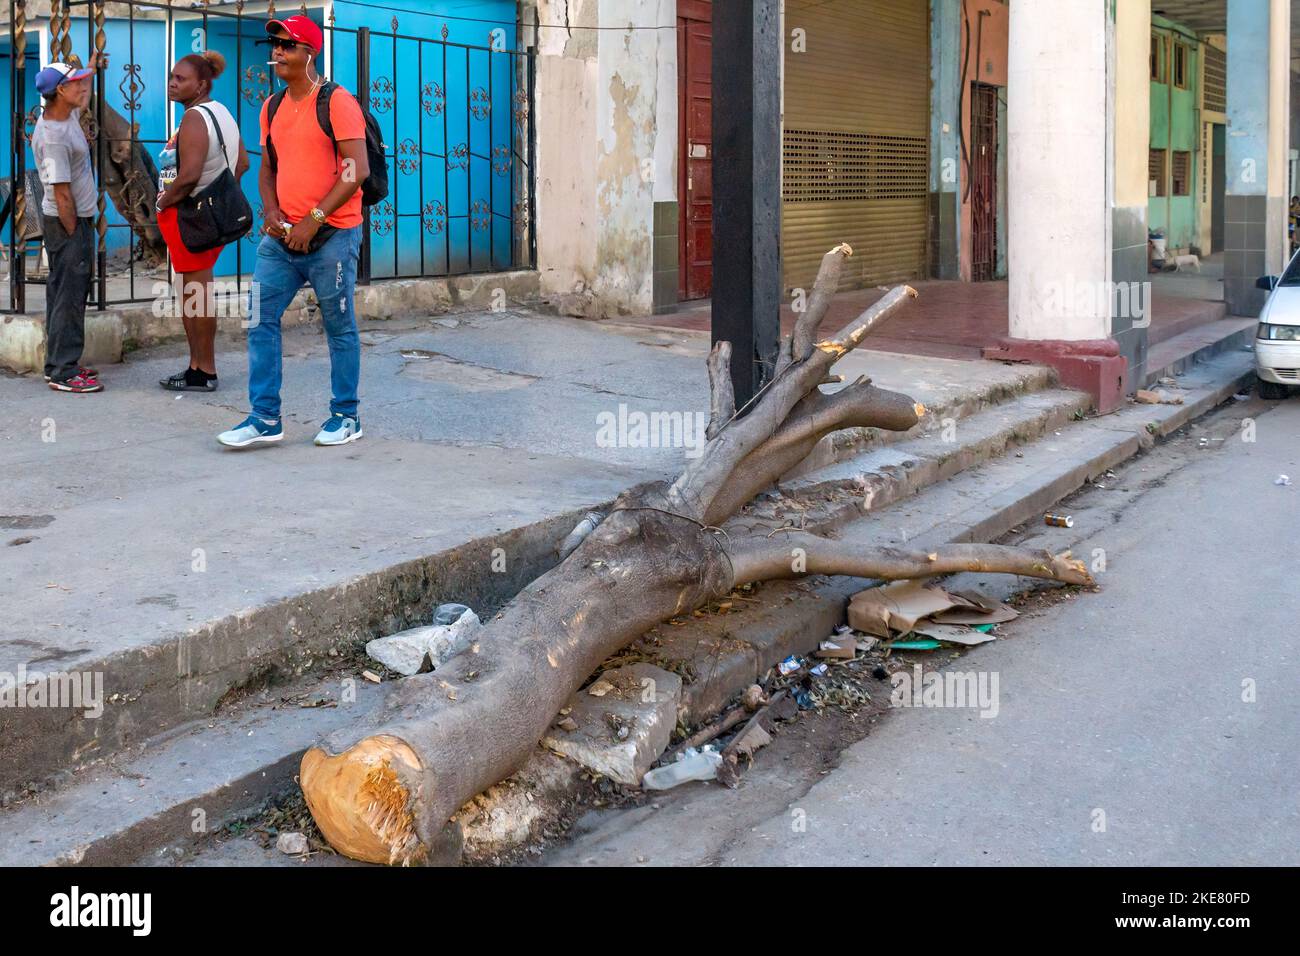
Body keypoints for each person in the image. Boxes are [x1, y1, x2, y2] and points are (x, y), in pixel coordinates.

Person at [217, 14, 369, 448]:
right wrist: (270, 209)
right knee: (259, 319)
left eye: (287, 45)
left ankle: (346, 416)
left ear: (309, 53)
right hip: (281, 240)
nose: (277, 53)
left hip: (332, 236)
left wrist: (312, 221)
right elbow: (268, 168)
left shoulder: (336, 101)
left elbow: (355, 170)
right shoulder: (273, 106)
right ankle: (265, 418)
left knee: (339, 327)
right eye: (275, 46)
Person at [155, 50, 249, 392]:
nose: (172, 84)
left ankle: (204, 369)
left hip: (191, 218)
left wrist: (164, 201)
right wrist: (222, 195)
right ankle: (196, 366)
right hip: (209, 218)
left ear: (201, 85)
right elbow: (242, 164)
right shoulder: (220, 112)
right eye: (172, 77)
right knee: (195, 292)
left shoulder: (195, 118)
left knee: (195, 295)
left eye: (181, 79)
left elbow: (190, 174)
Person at [31, 55, 106, 393]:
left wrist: (90, 63)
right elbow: (61, 194)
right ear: (61, 91)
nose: (84, 86)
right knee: (70, 295)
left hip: (73, 222)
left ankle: (57, 365)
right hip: (67, 223)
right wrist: (75, 232)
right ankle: (64, 371)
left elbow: (80, 92)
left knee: (65, 292)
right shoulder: (52, 137)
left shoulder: (66, 115)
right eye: (78, 83)